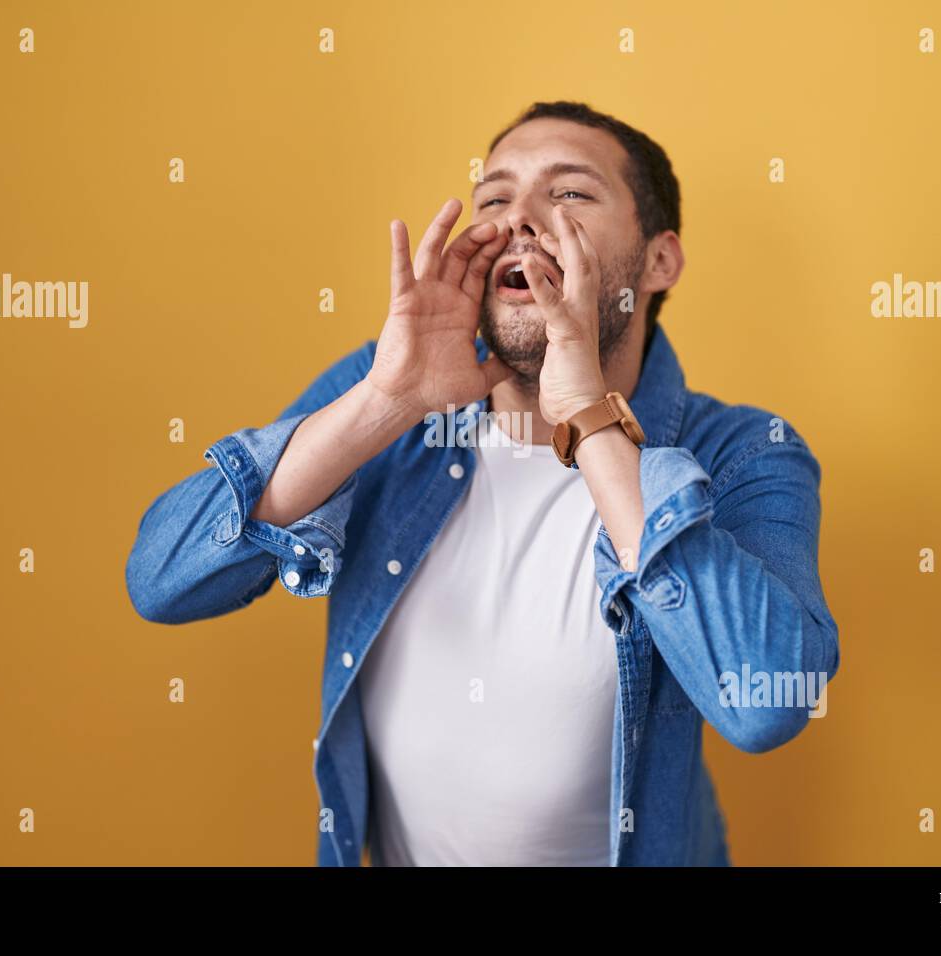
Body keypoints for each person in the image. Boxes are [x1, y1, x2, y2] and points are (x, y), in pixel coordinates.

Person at [125, 101, 840, 866]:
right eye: (494, 197)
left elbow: (769, 698)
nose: (519, 219)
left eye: (569, 194)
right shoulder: (388, 400)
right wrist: (386, 403)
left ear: (659, 261)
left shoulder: (744, 451)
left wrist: (587, 418)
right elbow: (162, 580)